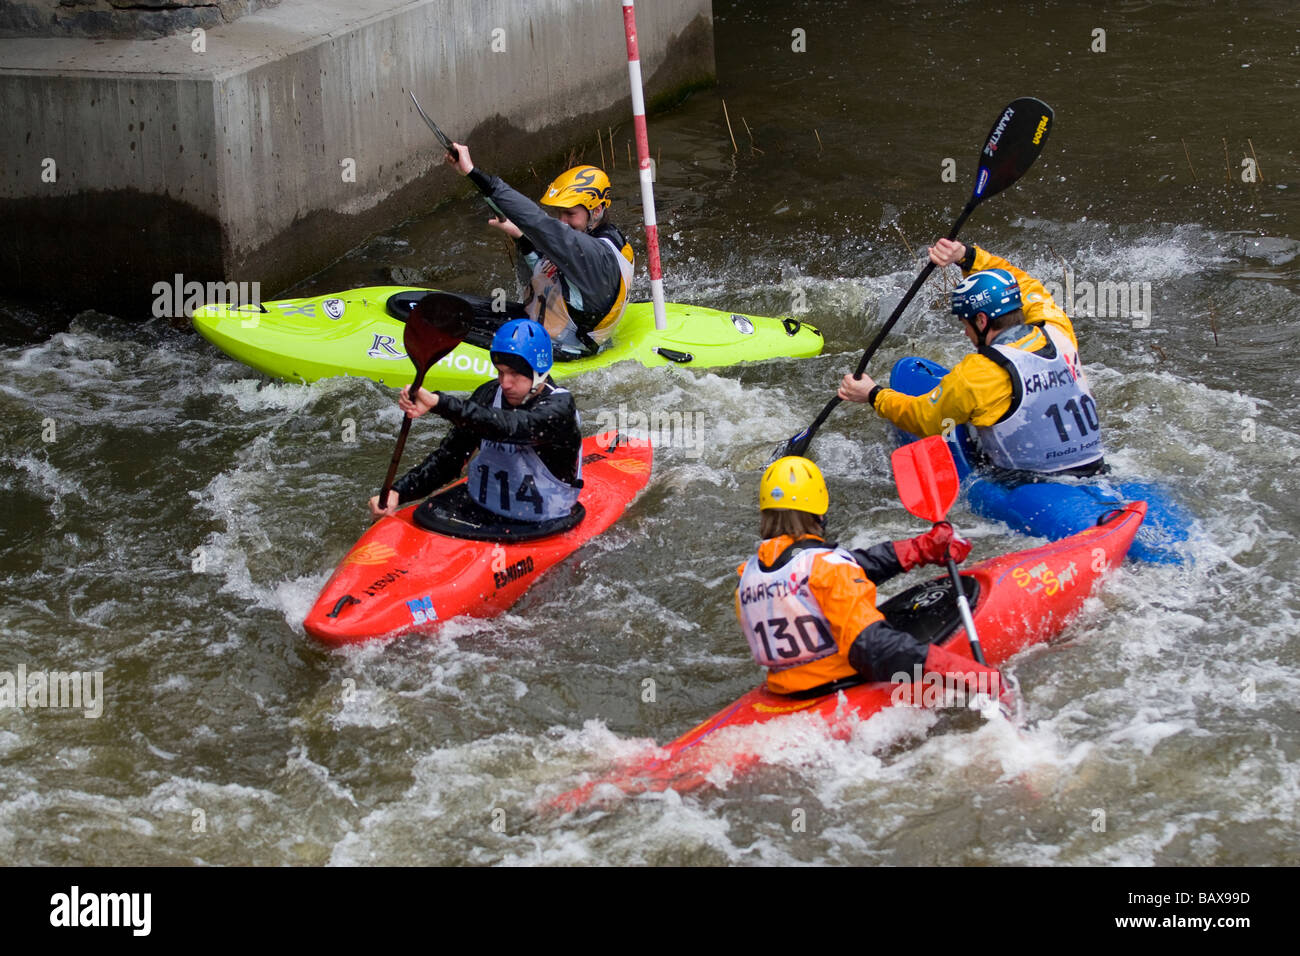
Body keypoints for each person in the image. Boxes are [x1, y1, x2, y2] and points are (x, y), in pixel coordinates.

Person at [734, 456, 1016, 709]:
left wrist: (921, 548)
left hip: (787, 692)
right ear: (820, 513)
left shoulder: (747, 575)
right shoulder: (828, 568)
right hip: (841, 691)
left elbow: (836, 573)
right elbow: (873, 648)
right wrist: (970, 675)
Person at [839, 239, 1106, 479]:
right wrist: (967, 256)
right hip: (1096, 467)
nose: (965, 332)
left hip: (1031, 482)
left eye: (965, 323)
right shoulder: (1058, 330)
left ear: (981, 320)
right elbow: (1025, 284)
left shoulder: (979, 373)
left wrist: (874, 395)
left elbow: (925, 419)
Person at [368, 318, 583, 523]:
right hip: (484, 514)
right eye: (500, 372)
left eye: (514, 374)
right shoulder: (489, 394)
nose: (504, 383)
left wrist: (440, 403)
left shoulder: (560, 408)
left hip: (547, 522)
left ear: (539, 371)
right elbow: (449, 459)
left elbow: (512, 426)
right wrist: (398, 493)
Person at [443, 141, 635, 360]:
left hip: (559, 349)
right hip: (538, 329)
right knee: (444, 309)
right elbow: (546, 276)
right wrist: (521, 237)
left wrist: (472, 173)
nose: (562, 221)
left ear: (597, 210)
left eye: (570, 214)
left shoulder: (595, 256)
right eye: (559, 213)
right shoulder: (587, 243)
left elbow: (537, 222)